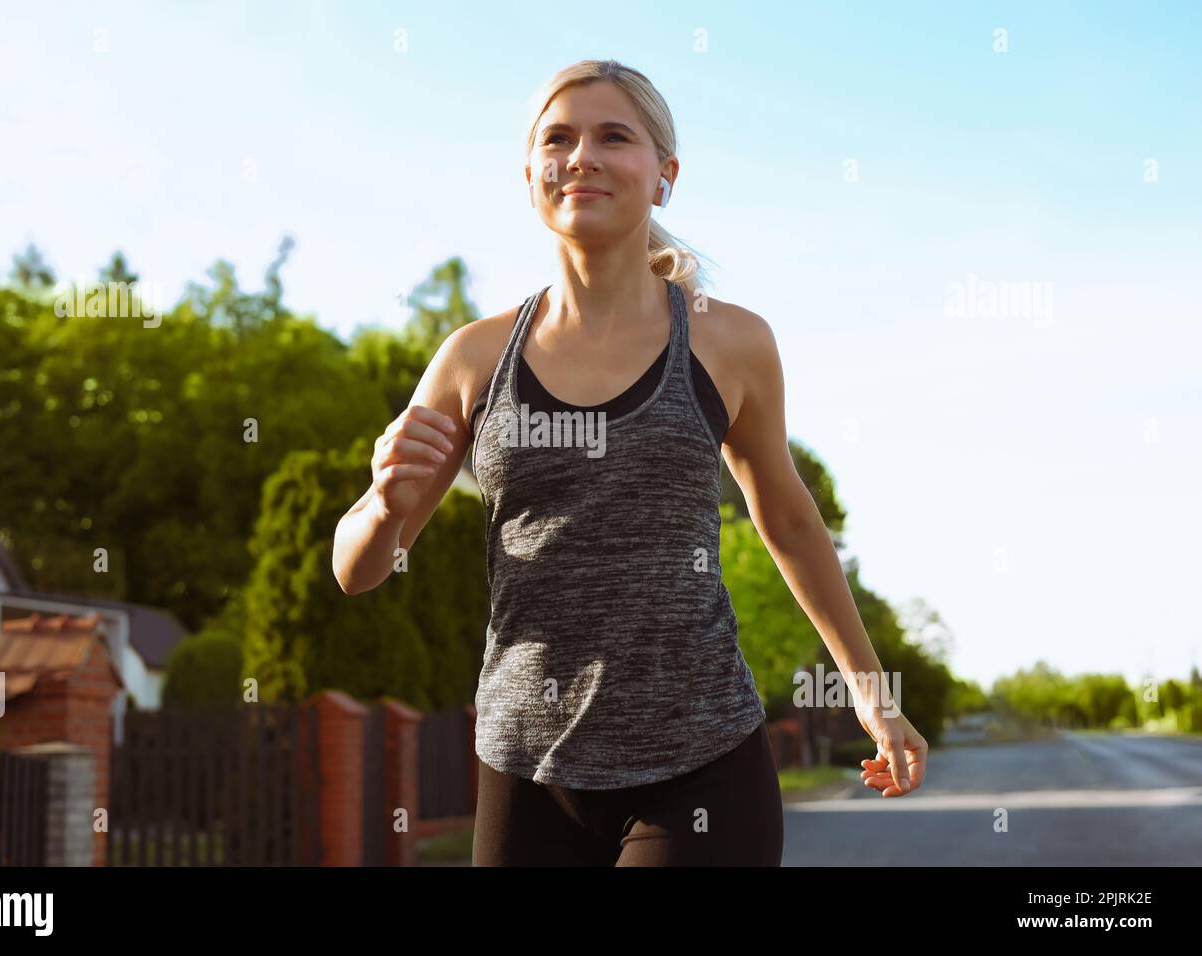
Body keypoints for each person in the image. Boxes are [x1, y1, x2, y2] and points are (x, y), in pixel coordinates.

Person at [332, 58, 928, 866]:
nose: (582, 156)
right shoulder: (473, 358)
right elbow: (359, 570)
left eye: (614, 136)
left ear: (664, 176)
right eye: (560, 138)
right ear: (532, 175)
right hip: (526, 766)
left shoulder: (731, 342)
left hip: (701, 758)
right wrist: (380, 500)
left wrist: (869, 689)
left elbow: (785, 516)